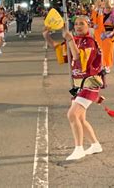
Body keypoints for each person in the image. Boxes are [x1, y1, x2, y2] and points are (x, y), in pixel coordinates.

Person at [43, 16, 105, 161]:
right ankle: (95, 145)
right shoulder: (76, 40)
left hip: (89, 84)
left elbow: (78, 58)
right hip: (78, 85)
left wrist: (69, 39)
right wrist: (47, 37)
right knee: (81, 119)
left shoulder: (89, 42)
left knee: (72, 115)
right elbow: (62, 52)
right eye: (76, 24)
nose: (78, 26)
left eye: (81, 24)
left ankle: (79, 148)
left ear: (88, 25)